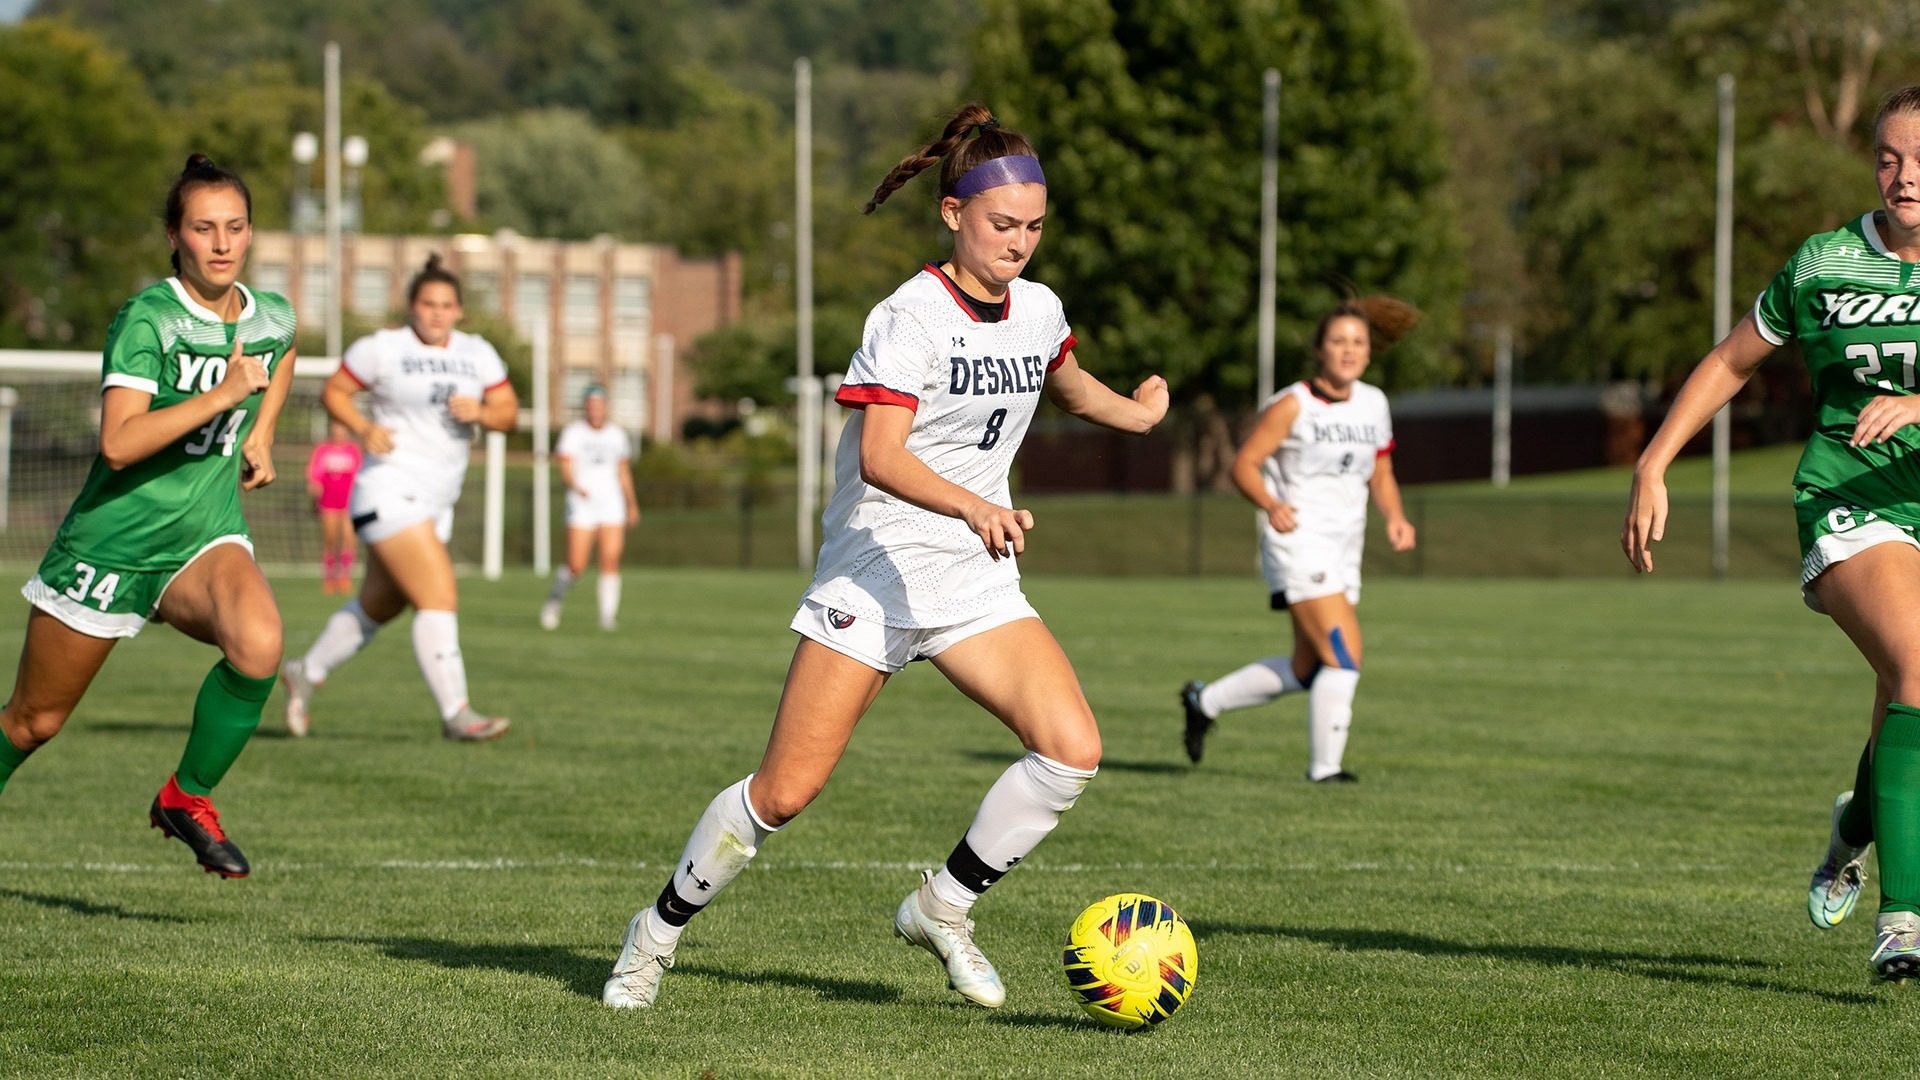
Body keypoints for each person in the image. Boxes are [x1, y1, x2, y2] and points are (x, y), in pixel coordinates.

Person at [602, 103, 1168, 1010]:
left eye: (1033, 226)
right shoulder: (909, 317)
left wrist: (1136, 412)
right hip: (873, 574)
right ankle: (657, 930)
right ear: (953, 214)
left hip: (970, 578)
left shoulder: (1040, 308)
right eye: (1001, 225)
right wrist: (975, 504)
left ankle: (942, 908)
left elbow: (1062, 382)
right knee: (784, 794)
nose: (1019, 243)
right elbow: (881, 456)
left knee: (1071, 750)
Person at [1623, 85, 1920, 982]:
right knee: (1919, 669)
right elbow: (1728, 360)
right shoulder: (1826, 262)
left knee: (1907, 698)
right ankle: (1904, 920)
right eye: (1889, 157)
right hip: (1851, 499)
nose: (1905, 178)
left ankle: (1854, 826)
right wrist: (1653, 462)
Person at [0, 155, 297, 877]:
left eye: (234, 227)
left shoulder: (272, 313)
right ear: (175, 236)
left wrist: (260, 434)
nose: (221, 243)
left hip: (201, 537)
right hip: (110, 546)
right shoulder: (148, 319)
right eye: (203, 228)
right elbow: (119, 442)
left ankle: (184, 798)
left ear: (251, 234)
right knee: (34, 723)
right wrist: (225, 398)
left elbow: (281, 351)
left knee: (259, 645)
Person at [280, 254, 520, 742]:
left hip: (436, 501)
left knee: (381, 605)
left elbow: (509, 413)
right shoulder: (383, 347)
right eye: (428, 304)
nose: (437, 313)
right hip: (387, 487)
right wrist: (364, 428)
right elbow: (335, 391)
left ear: (459, 311)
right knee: (438, 594)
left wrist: (482, 411)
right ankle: (457, 713)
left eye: (446, 305)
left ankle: (306, 672)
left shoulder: (478, 352)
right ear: (412, 307)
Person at [1179, 298, 1418, 782]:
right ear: (1319, 349)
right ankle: (1325, 771)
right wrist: (1271, 504)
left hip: (1344, 549)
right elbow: (1243, 465)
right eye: (1338, 341)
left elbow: (1383, 470)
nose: (1348, 351)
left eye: (1358, 342)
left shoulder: (1374, 403)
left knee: (1308, 669)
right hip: (1299, 543)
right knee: (1345, 653)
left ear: (1369, 352)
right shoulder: (1294, 404)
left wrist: (1395, 515)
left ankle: (1204, 701)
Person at [540, 385, 639, 630]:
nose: (595, 409)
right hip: (582, 503)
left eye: (599, 404)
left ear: (606, 407)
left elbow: (623, 470)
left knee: (610, 559)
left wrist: (631, 503)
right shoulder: (574, 433)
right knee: (576, 565)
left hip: (611, 504)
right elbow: (565, 466)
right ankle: (554, 600)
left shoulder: (616, 435)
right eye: (591, 404)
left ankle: (607, 617)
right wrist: (576, 487)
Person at [306, 420, 364, 594]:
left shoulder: (353, 450)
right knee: (330, 539)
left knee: (348, 538)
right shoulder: (322, 449)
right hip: (328, 501)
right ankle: (330, 578)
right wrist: (314, 485)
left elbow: (359, 474)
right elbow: (314, 473)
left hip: (348, 502)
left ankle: (344, 577)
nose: (338, 432)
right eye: (335, 428)